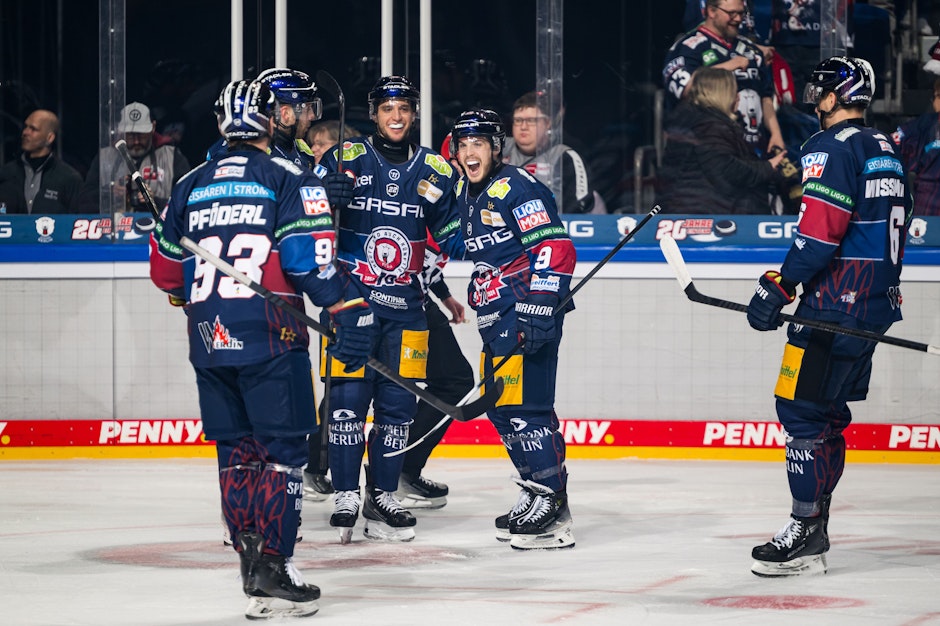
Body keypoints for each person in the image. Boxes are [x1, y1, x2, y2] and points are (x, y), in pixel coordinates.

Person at [149, 79, 377, 618]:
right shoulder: (288, 176)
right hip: (271, 334)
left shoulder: (189, 183)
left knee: (236, 454)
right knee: (280, 456)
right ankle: (274, 564)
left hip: (209, 337)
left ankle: (250, 566)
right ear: (267, 120)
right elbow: (308, 263)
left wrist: (191, 294)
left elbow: (166, 275)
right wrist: (349, 309)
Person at [745, 56, 911, 577]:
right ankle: (814, 523)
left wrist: (780, 285)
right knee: (828, 414)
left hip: (834, 305)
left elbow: (819, 235)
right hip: (875, 303)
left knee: (799, 410)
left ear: (835, 96)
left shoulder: (829, 147)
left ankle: (806, 529)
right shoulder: (885, 147)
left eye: (820, 91)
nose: (814, 99)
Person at [316, 75, 465, 543]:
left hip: (407, 310)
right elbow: (303, 215)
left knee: (398, 409)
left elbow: (453, 236)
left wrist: (471, 226)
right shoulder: (345, 158)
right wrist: (322, 197)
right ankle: (345, 492)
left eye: (404, 108)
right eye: (387, 109)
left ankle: (382, 495)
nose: (396, 117)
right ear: (373, 114)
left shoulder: (436, 170)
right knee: (346, 404)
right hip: (350, 304)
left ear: (414, 113)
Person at [450, 109, 576, 550]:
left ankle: (553, 505)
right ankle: (534, 489)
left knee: (527, 409)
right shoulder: (467, 191)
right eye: (463, 145)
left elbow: (555, 246)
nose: (470, 152)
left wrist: (539, 307)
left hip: (524, 313)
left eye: (478, 144)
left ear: (495, 148)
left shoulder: (516, 186)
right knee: (502, 410)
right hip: (495, 318)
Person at [657, 67, 791, 214]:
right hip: (698, 215)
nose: (738, 97)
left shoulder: (697, 119)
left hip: (693, 209)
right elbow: (727, 171)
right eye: (734, 91)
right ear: (722, 94)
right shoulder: (707, 126)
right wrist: (767, 167)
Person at [664, 0, 784, 155]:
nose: (738, 19)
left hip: (753, 151)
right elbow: (686, 89)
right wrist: (729, 66)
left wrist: (776, 134)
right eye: (732, 13)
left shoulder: (751, 50)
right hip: (707, 149)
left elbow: (765, 97)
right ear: (711, 11)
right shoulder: (687, 48)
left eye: (741, 13)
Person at [79, 101, 191, 214]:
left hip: (157, 223)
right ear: (120, 131)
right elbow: (82, 203)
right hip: (113, 224)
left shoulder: (172, 157)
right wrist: (110, 194)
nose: (136, 141)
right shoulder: (105, 157)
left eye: (141, 135)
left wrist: (154, 201)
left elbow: (187, 201)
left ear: (153, 127)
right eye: (130, 135)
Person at [500, 91, 596, 214]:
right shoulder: (498, 149)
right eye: (518, 120)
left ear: (547, 123)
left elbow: (581, 204)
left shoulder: (565, 156)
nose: (523, 127)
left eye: (531, 120)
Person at [0, 109, 82, 214]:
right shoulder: (5, 174)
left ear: (50, 138)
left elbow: (76, 220)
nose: (25, 132)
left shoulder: (69, 179)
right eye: (25, 127)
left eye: (33, 129)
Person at [892, 78, 940, 216]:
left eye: (935, 96)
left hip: (928, 201)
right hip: (928, 202)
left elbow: (890, 145)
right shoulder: (924, 125)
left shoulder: (923, 125)